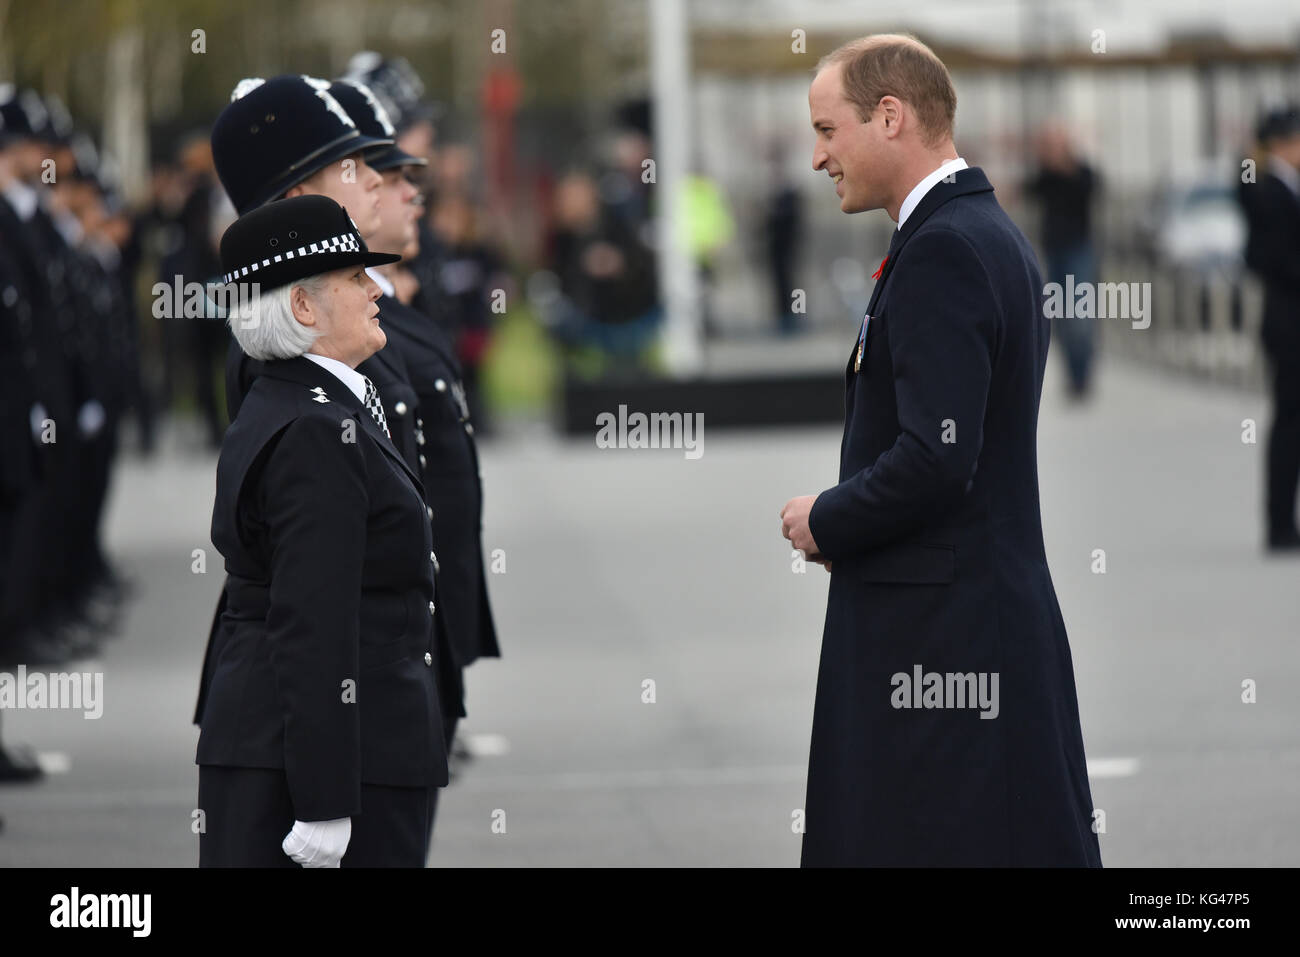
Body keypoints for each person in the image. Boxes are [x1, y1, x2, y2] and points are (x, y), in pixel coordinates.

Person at [781, 34, 1101, 867]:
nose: (817, 157)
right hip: (963, 624)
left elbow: (937, 457)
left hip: (942, 639)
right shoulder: (972, 230)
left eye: (827, 130)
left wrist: (829, 516)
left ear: (890, 116)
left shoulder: (947, 249)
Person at [197, 194, 448, 867]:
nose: (374, 289)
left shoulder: (310, 401)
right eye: (353, 278)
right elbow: (313, 620)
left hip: (339, 746)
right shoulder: (316, 428)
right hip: (323, 763)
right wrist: (324, 798)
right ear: (304, 308)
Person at [1239, 106, 1300, 552]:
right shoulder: (1266, 188)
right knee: (1290, 422)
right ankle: (1280, 524)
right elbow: (1263, 255)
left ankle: (1282, 521)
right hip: (1288, 322)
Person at [1025, 124, 1100, 399]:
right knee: (1062, 318)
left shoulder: (1082, 172)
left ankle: (1083, 375)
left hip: (1079, 251)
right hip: (1053, 253)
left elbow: (1092, 187)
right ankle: (1073, 376)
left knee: (1080, 315)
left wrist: (1065, 166)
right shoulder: (1046, 176)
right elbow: (1026, 190)